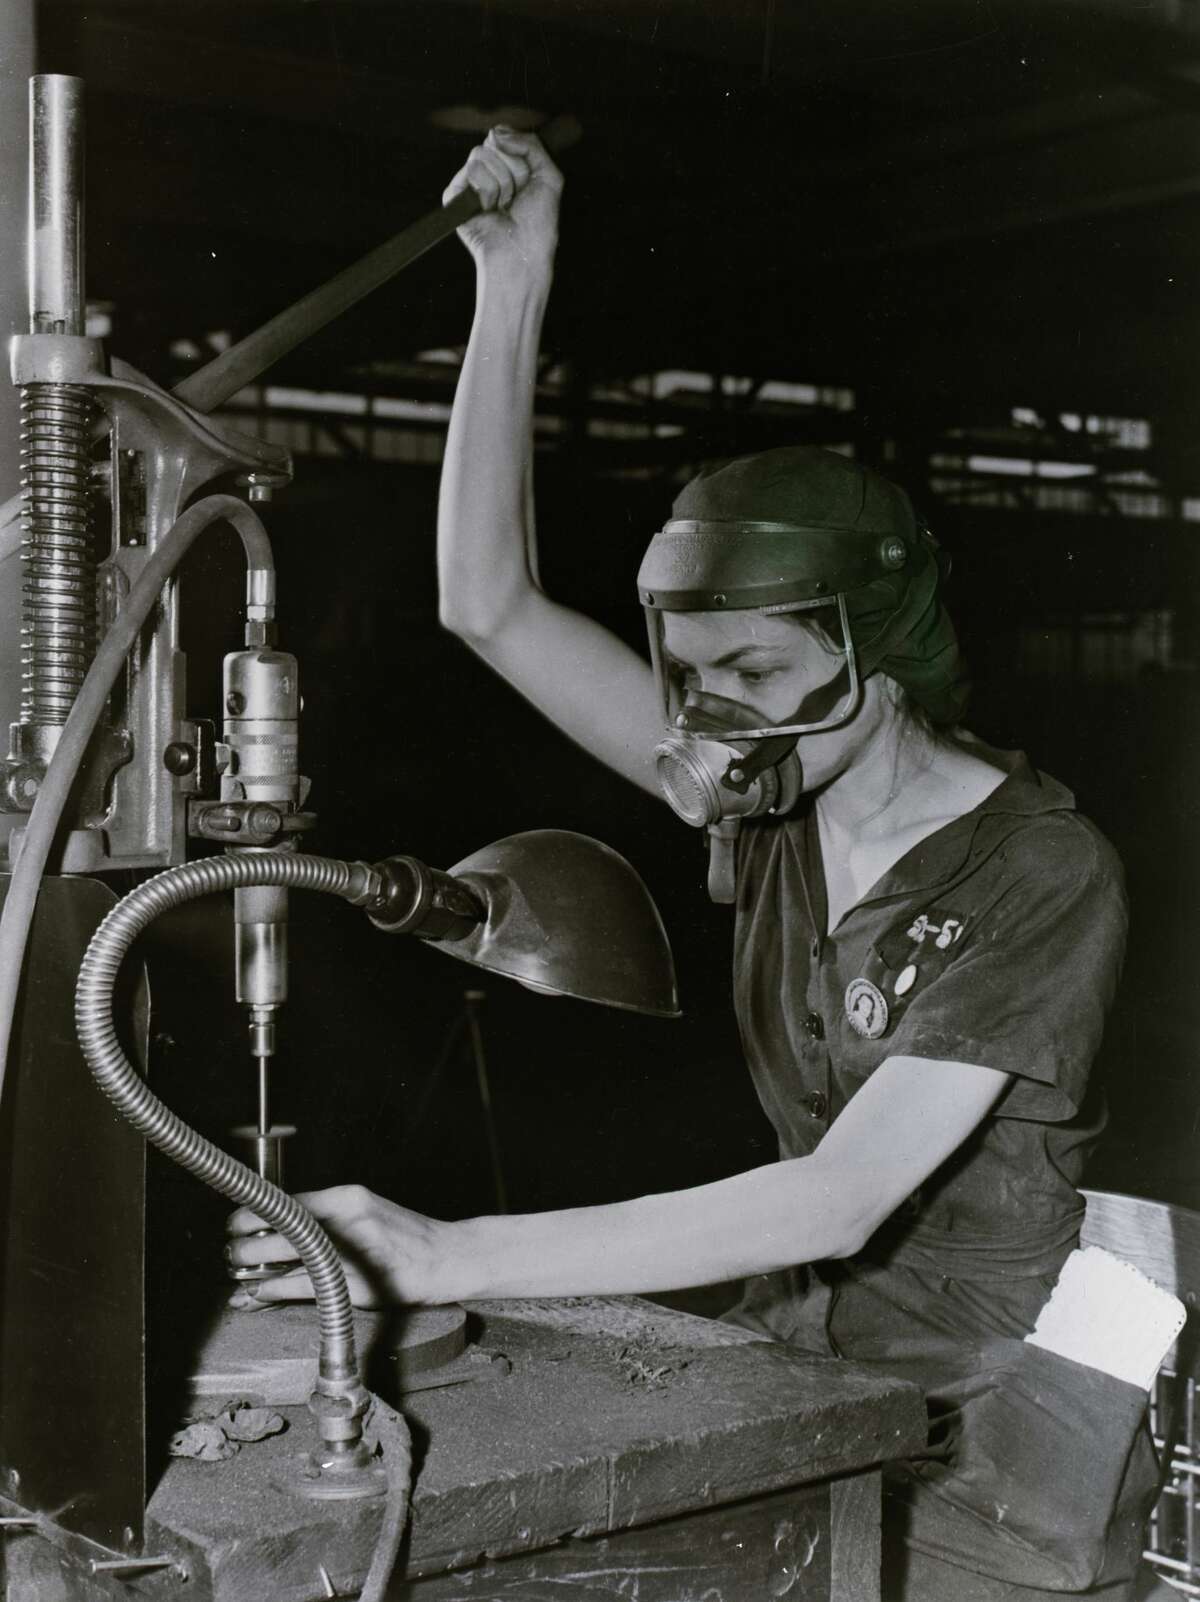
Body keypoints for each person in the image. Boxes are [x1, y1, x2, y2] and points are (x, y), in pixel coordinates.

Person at [228, 131, 1160, 1599]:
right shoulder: (772, 789)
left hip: (1005, 1440)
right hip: (810, 1377)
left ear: (876, 653)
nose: (703, 714)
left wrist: (444, 1252)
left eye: (752, 666)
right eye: (687, 668)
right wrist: (512, 282)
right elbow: (489, 605)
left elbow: (835, 1200)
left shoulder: (1043, 872)